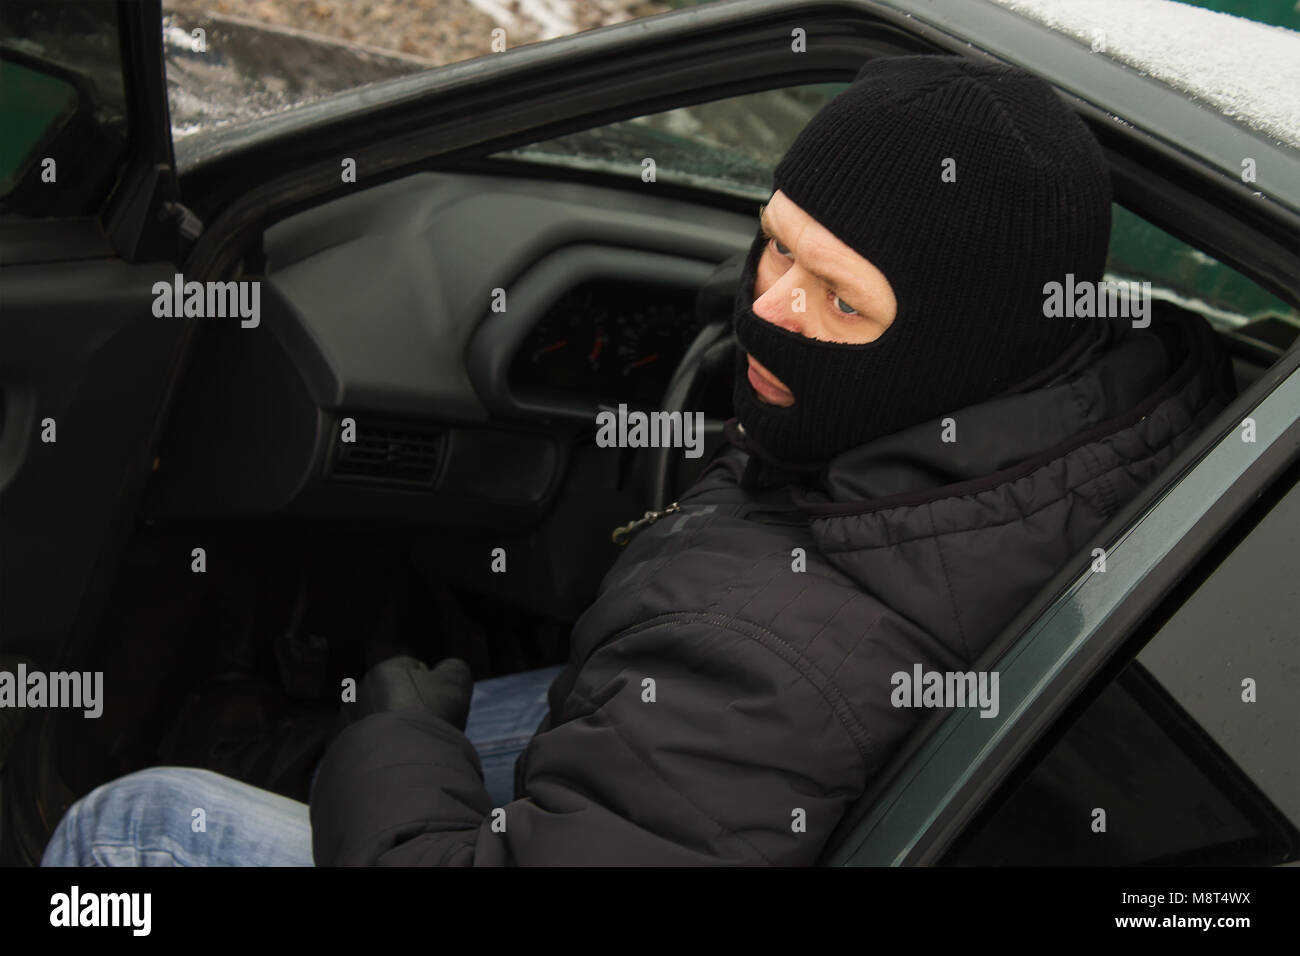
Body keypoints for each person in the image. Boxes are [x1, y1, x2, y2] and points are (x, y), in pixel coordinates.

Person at [41, 54, 1235, 867]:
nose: (767, 314)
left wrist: (393, 747)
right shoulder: (1124, 404)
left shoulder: (783, 667)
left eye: (840, 301)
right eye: (773, 246)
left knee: (136, 826)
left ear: (959, 341)